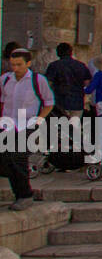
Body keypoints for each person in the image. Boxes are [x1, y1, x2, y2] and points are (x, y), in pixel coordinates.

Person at [0, 49, 54, 211]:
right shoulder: (5, 80)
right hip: (8, 125)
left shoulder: (38, 80)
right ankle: (19, 192)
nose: (15, 68)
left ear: (28, 63)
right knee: (5, 159)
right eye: (13, 65)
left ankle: (25, 195)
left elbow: (49, 102)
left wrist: (39, 120)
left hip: (28, 125)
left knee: (18, 156)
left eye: (19, 64)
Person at [45, 43, 92, 119]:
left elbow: (48, 84)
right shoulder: (81, 65)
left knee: (60, 128)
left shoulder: (54, 66)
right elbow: (87, 83)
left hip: (60, 102)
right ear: (71, 52)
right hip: (77, 102)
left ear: (58, 53)